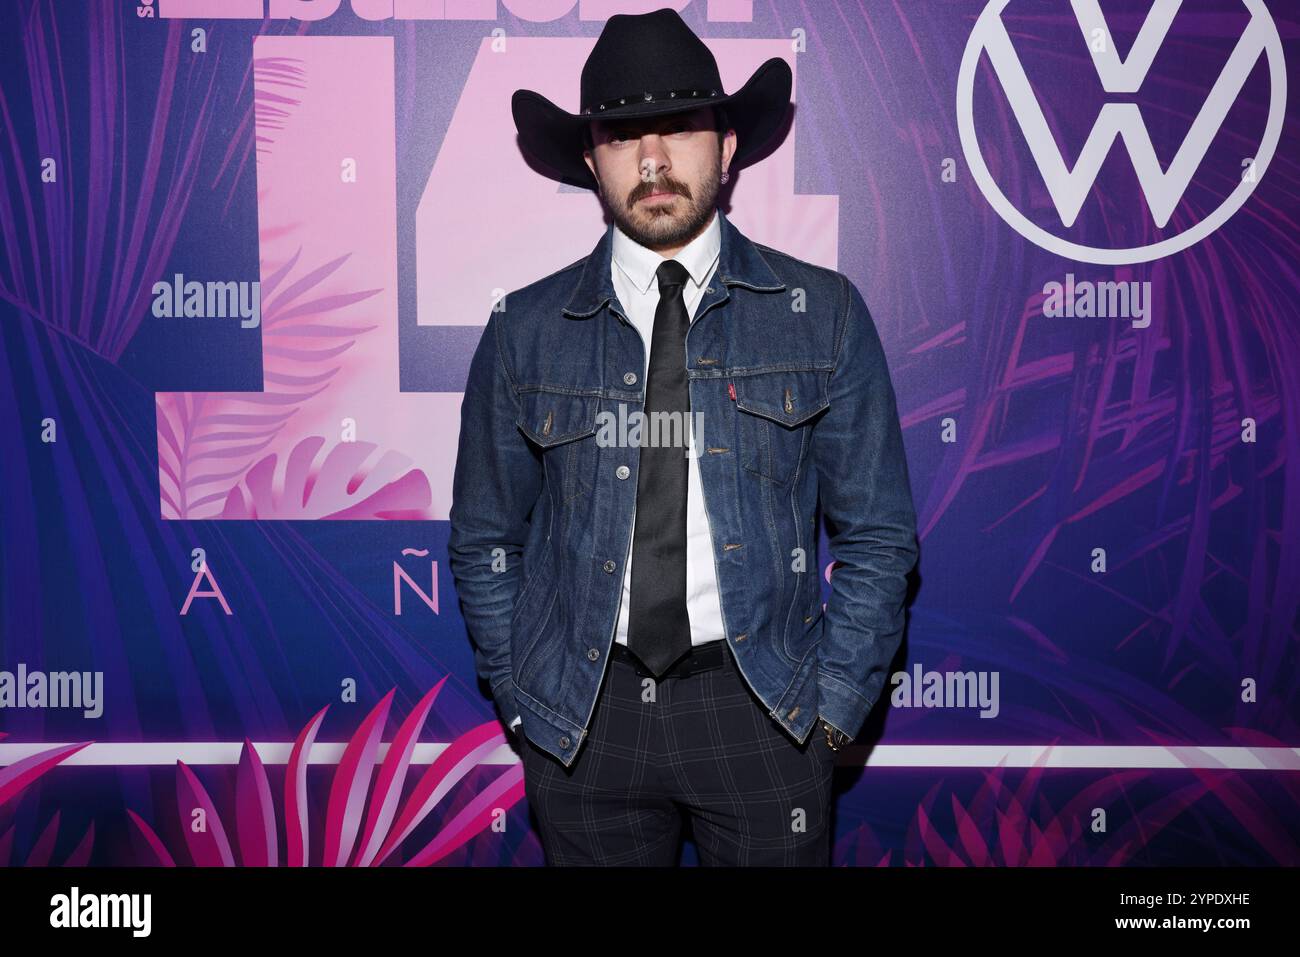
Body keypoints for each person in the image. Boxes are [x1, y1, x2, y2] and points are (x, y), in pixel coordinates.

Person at [448, 7, 918, 866]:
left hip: (765, 709)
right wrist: (524, 701)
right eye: (624, 134)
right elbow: (485, 540)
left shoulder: (823, 315)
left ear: (728, 146)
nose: (654, 159)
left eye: (681, 126)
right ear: (591, 159)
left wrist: (831, 711)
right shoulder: (525, 330)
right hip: (584, 719)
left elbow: (880, 538)